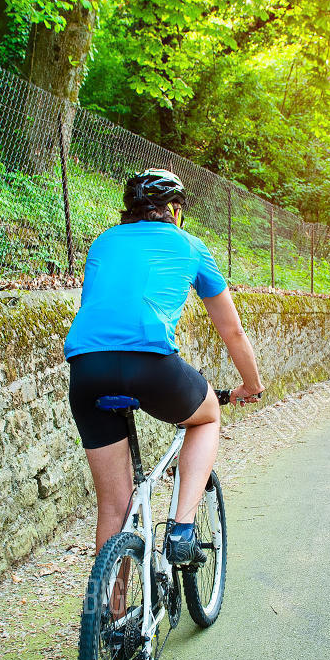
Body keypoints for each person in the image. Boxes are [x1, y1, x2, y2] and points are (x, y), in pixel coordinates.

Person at [64, 168, 265, 568]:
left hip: (87, 370)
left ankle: (110, 604)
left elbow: (98, 309)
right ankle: (181, 529)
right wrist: (251, 384)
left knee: (114, 507)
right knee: (207, 416)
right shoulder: (190, 245)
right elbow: (233, 331)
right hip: (151, 365)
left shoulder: (102, 243)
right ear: (175, 210)